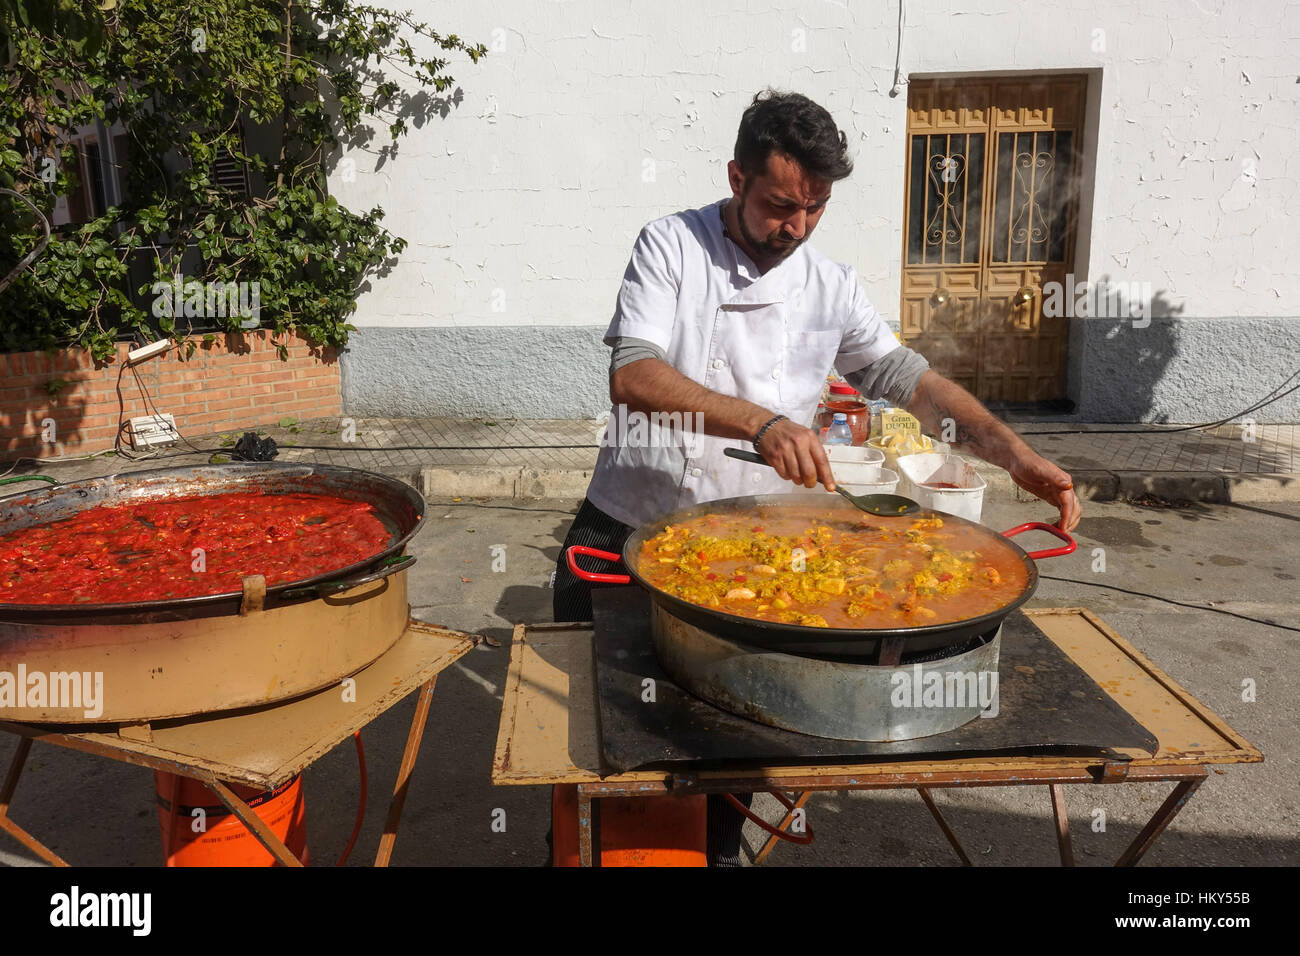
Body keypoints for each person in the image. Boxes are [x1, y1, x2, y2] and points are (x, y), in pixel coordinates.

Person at [552, 89, 1082, 865]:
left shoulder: (828, 284)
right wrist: (763, 422)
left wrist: (1014, 452)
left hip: (750, 553)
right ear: (736, 177)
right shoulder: (670, 246)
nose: (794, 226)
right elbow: (634, 376)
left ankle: (720, 850)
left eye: (814, 208)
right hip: (626, 528)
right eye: (777, 205)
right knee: (590, 761)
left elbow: (910, 381)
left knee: (720, 754)